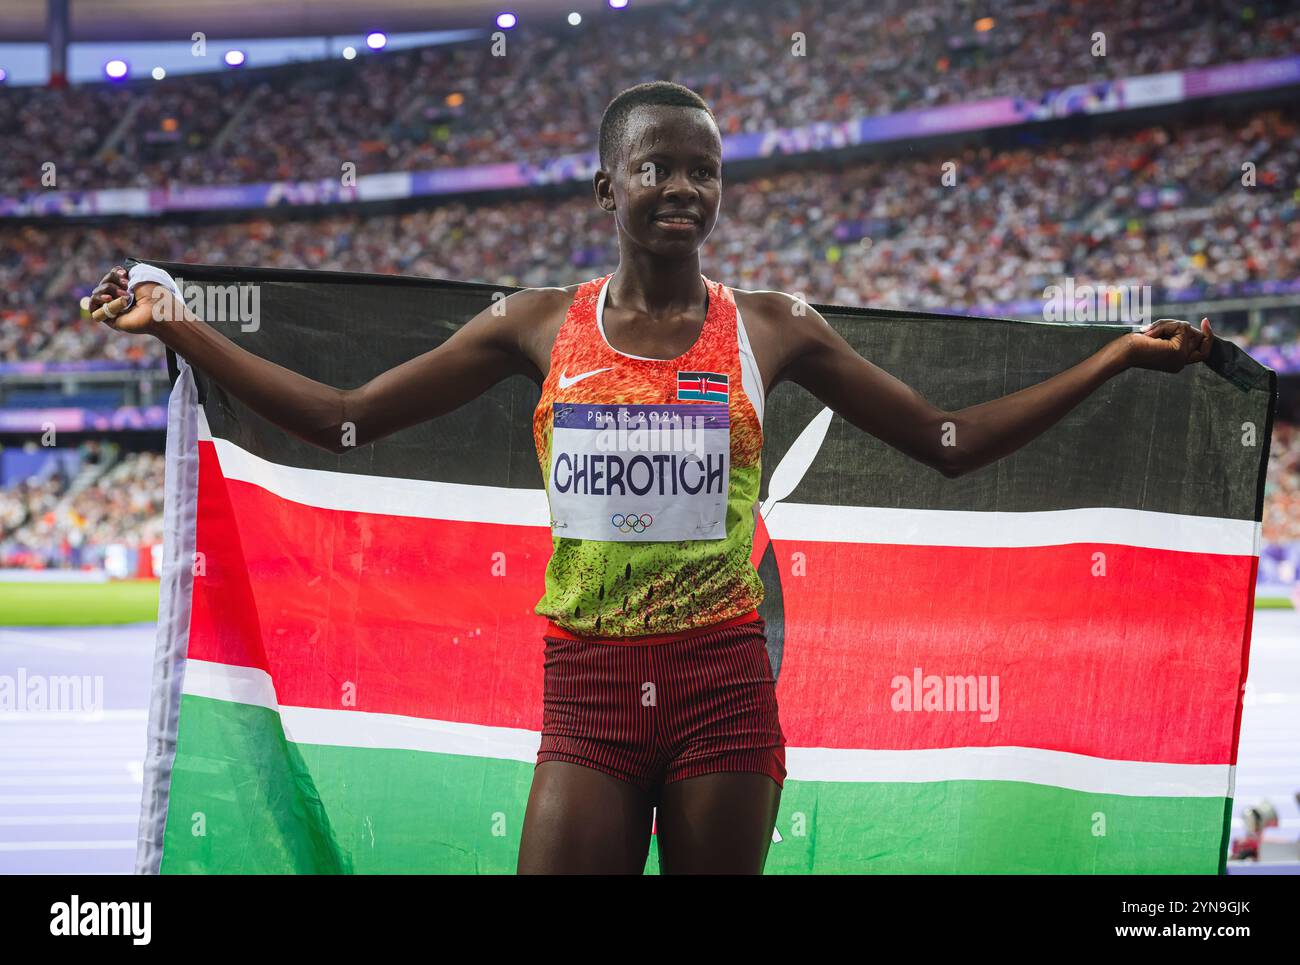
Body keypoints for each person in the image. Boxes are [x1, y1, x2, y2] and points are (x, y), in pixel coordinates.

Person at [88, 81, 1214, 875]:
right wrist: (183, 325)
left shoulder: (774, 329)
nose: (683, 186)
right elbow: (344, 421)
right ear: (604, 184)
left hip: (722, 682)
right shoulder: (536, 324)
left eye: (704, 170)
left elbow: (949, 441)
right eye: (656, 165)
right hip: (584, 687)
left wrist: (1109, 353)